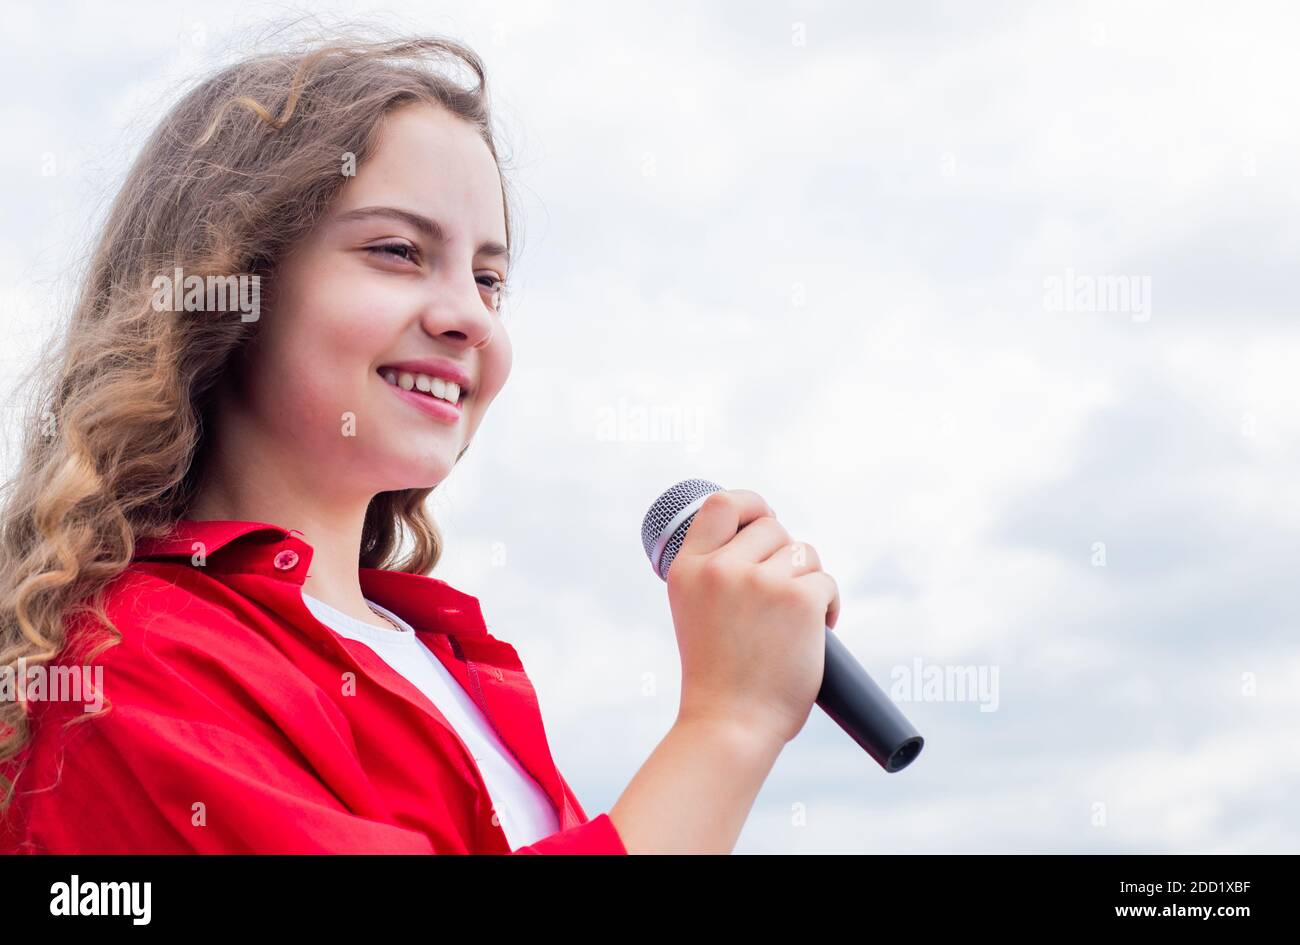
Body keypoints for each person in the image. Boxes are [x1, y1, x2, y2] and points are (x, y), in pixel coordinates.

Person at [0, 29, 838, 855]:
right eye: (398, 251)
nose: (469, 316)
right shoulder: (124, 664)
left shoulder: (442, 654)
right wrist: (729, 722)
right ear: (228, 290)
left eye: (488, 278)